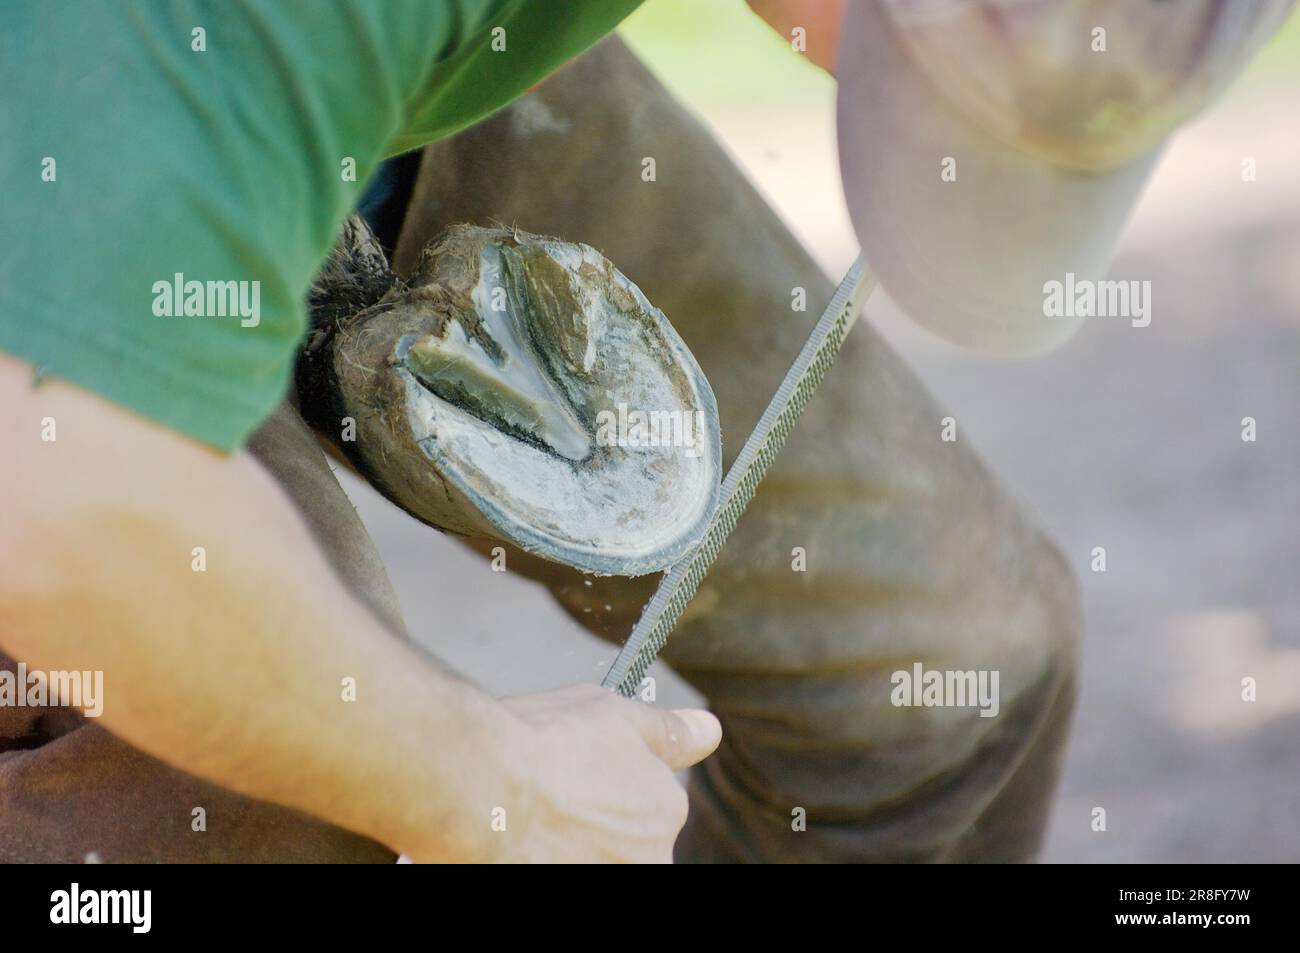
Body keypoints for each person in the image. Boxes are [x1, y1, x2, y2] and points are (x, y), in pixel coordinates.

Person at [0, 0, 1290, 863]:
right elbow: (66, 505)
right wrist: (480, 785)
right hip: (63, 160)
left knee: (951, 671)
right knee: (242, 816)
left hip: (385, 79)